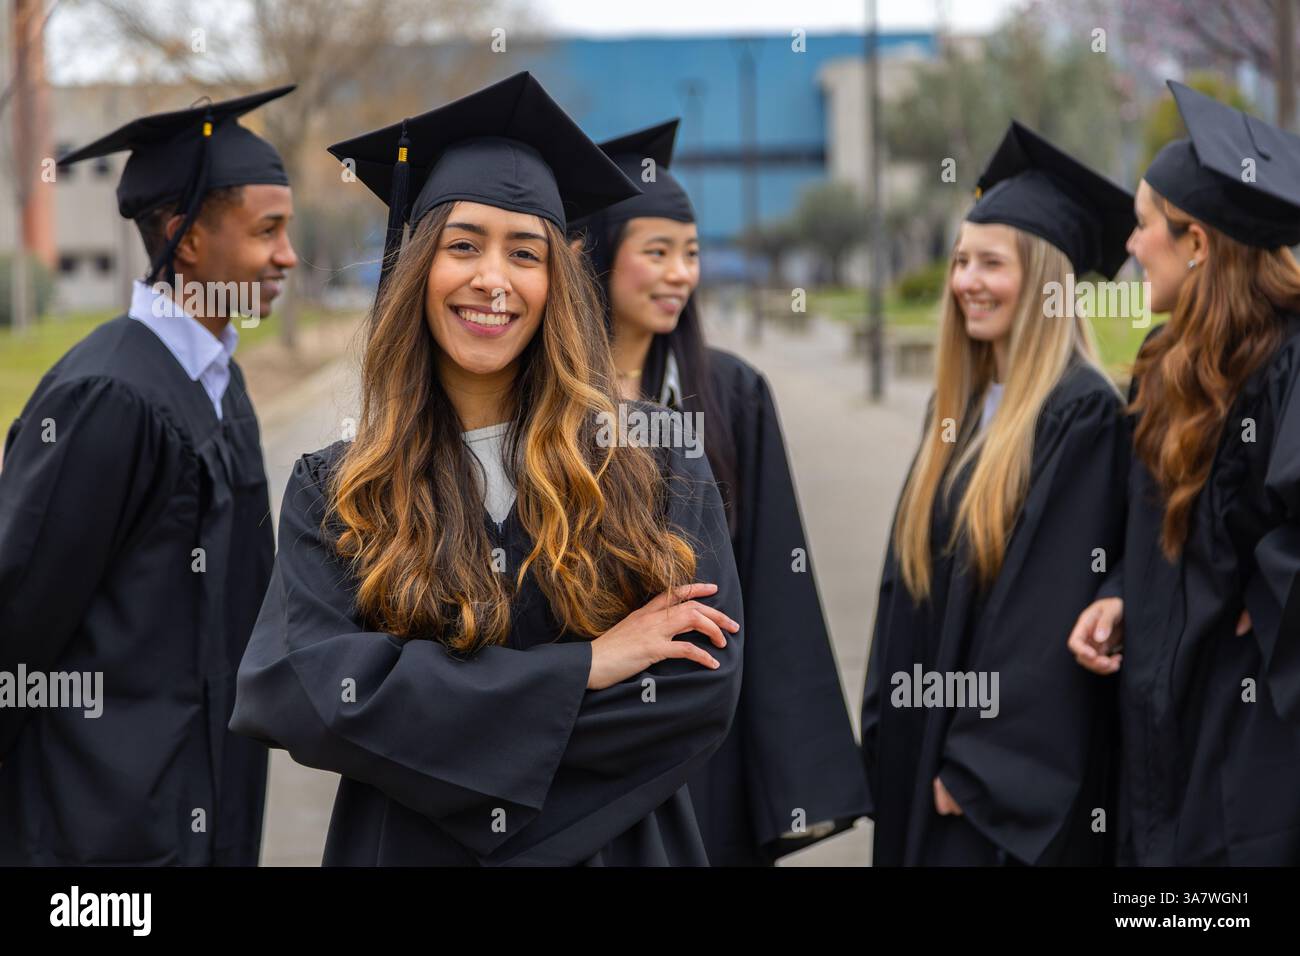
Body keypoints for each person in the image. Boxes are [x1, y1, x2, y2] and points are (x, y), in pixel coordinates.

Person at [229, 72, 744, 866]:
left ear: (557, 283)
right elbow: (306, 691)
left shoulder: (652, 462)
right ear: (415, 267)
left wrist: (432, 739)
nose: (492, 279)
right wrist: (587, 667)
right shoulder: (339, 491)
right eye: (463, 245)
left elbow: (693, 689)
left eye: (526, 253)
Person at [0, 86, 299, 864]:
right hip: (99, 827)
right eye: (267, 231)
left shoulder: (217, 380)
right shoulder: (108, 395)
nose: (287, 256)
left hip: (208, 790)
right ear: (186, 236)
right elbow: (17, 622)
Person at [568, 119, 869, 866]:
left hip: (705, 724)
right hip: (586, 722)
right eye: (658, 252)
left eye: (692, 254)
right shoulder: (551, 402)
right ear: (601, 259)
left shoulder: (729, 393)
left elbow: (774, 586)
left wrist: (791, 776)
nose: (679, 274)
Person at [862, 122, 1134, 865]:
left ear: (1045, 279)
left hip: (994, 796)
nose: (965, 282)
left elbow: (1048, 607)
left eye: (990, 263)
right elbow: (905, 584)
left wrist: (983, 770)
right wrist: (891, 728)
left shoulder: (1082, 414)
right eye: (959, 262)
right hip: (928, 749)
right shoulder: (958, 406)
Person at [1069, 81, 1300, 866]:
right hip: (1163, 723)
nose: (1131, 247)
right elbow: (1151, 532)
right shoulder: (1163, 366)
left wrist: (1259, 601)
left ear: (1196, 242)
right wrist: (1123, 594)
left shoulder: (1291, 365)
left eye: (1143, 227)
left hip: (1252, 729)